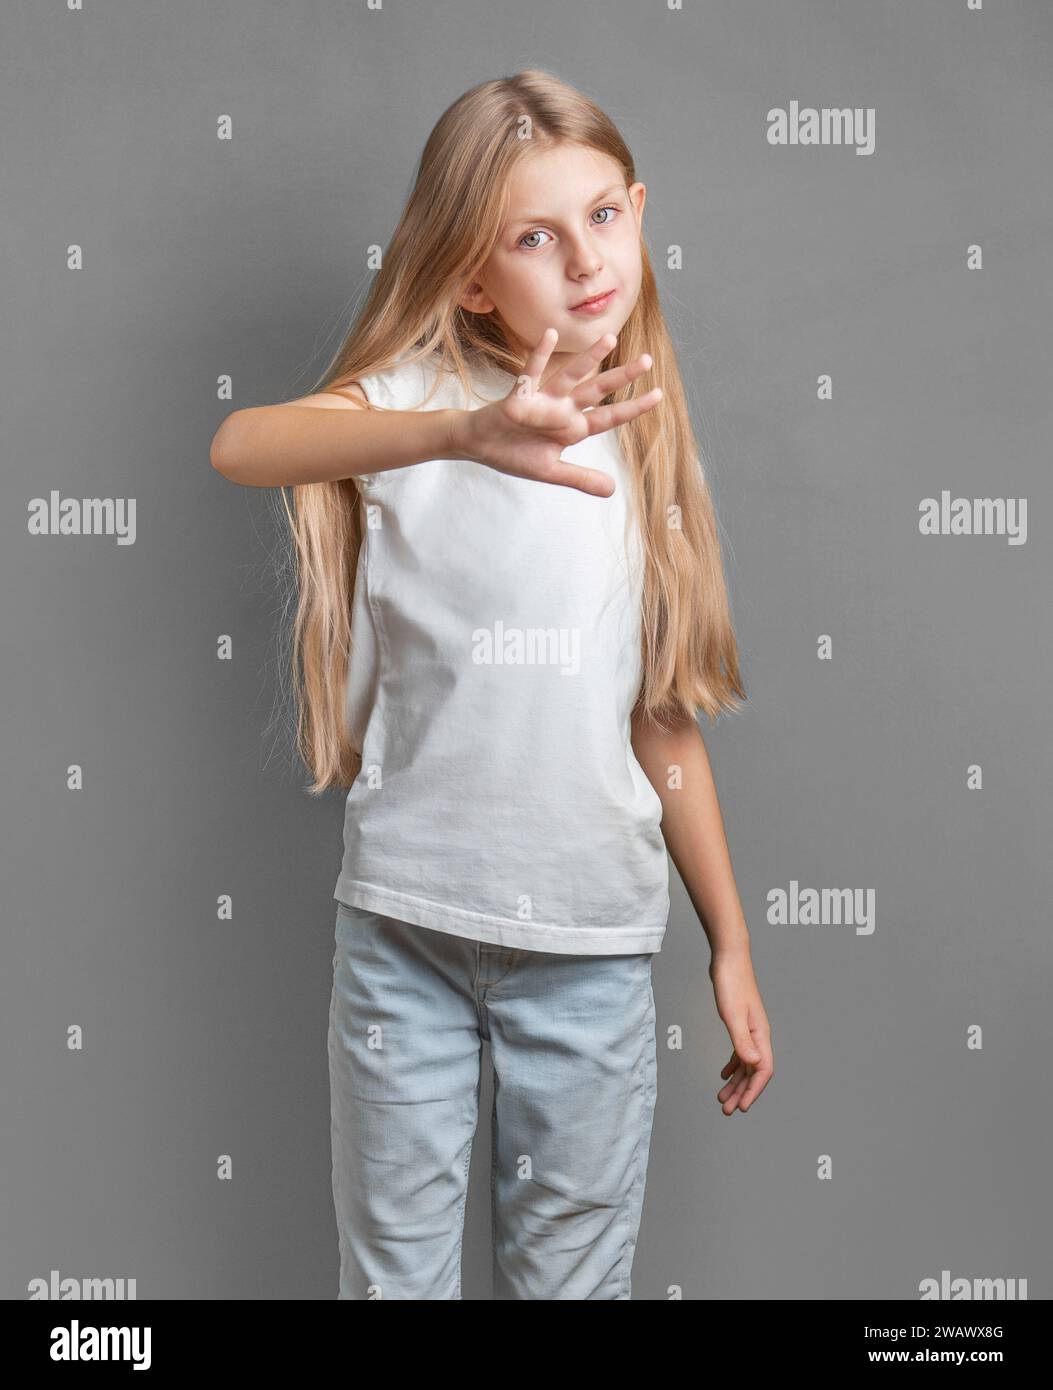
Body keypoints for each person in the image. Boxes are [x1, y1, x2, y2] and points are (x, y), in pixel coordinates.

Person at [210, 68, 773, 1300]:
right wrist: (463, 434)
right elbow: (241, 443)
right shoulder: (419, 407)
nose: (585, 261)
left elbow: (661, 718)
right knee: (392, 1283)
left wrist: (731, 940)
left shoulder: (646, 435)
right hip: (403, 942)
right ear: (472, 273)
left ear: (639, 212)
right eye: (535, 236)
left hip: (590, 955)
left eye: (604, 217)